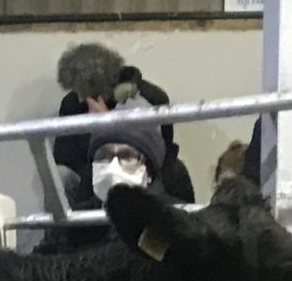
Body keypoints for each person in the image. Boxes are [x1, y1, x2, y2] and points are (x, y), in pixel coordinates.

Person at [51, 42, 195, 205]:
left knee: (175, 171)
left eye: (87, 91)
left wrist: (108, 126)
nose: (81, 98)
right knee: (60, 176)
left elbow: (161, 152)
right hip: (92, 172)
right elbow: (65, 157)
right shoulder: (73, 103)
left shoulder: (149, 97)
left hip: (138, 169)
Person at [37, 124, 164, 256]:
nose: (112, 167)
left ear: (149, 173)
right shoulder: (75, 221)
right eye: (103, 156)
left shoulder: (163, 225)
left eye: (127, 156)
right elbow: (42, 258)